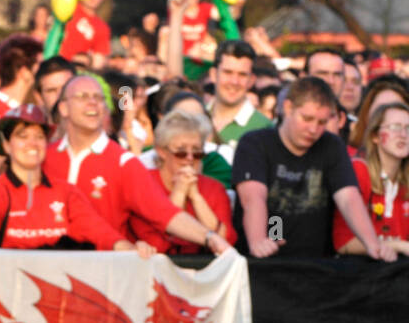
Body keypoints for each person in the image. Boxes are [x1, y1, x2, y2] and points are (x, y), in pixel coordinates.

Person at [45, 75, 232, 254]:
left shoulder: (123, 162)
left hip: (102, 271)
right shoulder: (45, 157)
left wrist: (209, 238)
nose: (92, 102)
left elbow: (163, 213)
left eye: (98, 97)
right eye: (82, 96)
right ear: (63, 108)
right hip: (45, 266)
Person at [233, 75, 394, 259]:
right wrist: (259, 240)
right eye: (306, 118)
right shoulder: (257, 143)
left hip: (316, 264)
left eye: (321, 122)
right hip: (268, 253)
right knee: (275, 218)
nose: (313, 129)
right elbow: (253, 198)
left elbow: (348, 197)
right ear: (288, 108)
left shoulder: (330, 145)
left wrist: (372, 245)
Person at [0, 106, 152, 252]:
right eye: (22, 136)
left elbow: (98, 230)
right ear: (6, 145)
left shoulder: (66, 192)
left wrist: (128, 248)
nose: (32, 143)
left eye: (39, 136)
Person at [128, 110, 235, 254]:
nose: (190, 158)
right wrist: (179, 193)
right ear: (162, 151)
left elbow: (226, 242)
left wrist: (196, 198)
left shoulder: (213, 188)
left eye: (197, 151)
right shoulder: (143, 184)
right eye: (181, 151)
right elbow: (157, 245)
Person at [334, 101, 409, 256]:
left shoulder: (406, 183)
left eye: (408, 128)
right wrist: (397, 245)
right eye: (395, 127)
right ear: (375, 136)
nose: (403, 134)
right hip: (358, 273)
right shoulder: (358, 171)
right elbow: (343, 243)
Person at [205, 40, 273, 187]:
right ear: (212, 74)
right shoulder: (194, 118)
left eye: (242, 75)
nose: (234, 81)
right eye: (228, 72)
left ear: (251, 80)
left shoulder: (265, 129)